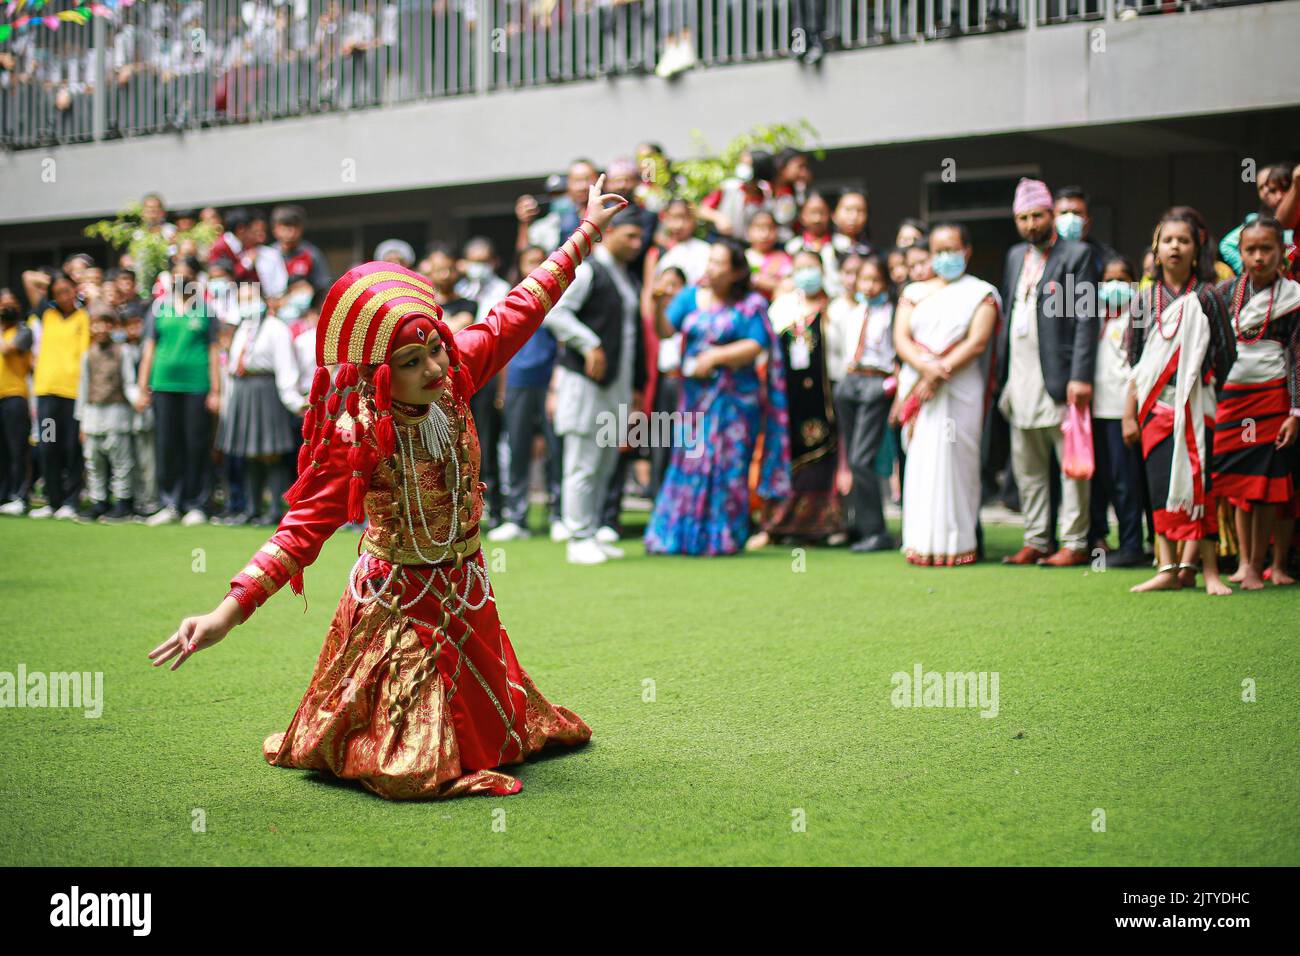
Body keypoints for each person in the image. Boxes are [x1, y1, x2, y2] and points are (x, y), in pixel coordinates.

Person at [148, 184, 626, 800]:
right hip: (396, 605)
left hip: (467, 590)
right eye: (410, 360)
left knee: (495, 734)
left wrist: (584, 231)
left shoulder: (457, 373)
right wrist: (224, 613)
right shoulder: (357, 434)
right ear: (378, 371)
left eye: (433, 349)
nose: (432, 368)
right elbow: (300, 533)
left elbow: (521, 307)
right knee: (408, 766)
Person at [645, 237, 791, 555]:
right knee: (691, 460)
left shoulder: (750, 304)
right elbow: (665, 331)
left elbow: (757, 344)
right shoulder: (690, 297)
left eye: (718, 262)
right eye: (709, 260)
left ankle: (722, 536)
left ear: (737, 272)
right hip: (695, 400)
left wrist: (716, 357)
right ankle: (680, 537)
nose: (710, 268)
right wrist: (657, 304)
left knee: (729, 466)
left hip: (736, 403)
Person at [1124, 208, 1237, 595]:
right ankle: (1168, 567)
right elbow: (1135, 362)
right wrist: (1129, 415)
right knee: (1160, 487)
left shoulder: (1209, 295)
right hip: (1156, 406)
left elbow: (1226, 352)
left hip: (1198, 406)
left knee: (1199, 487)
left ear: (1196, 248)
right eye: (1168, 240)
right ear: (1156, 249)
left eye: (1183, 240)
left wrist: (1206, 388)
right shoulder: (1144, 301)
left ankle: (1206, 570)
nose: (1175, 247)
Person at [996, 178, 1100, 567]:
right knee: (1026, 465)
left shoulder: (1077, 255)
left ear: (1051, 214)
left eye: (1037, 215)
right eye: (1022, 217)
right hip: (1019, 376)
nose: (1030, 224)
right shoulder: (1013, 257)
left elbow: (1087, 317)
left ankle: (1073, 543)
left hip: (1059, 376)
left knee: (1070, 464)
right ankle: (1036, 539)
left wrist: (1081, 375)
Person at [891, 225, 1001, 565]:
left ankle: (958, 545)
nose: (945, 257)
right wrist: (926, 371)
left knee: (957, 462)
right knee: (923, 461)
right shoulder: (914, 292)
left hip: (960, 385)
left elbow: (977, 342)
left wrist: (939, 373)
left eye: (952, 249)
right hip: (918, 384)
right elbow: (901, 339)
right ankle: (922, 544)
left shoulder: (981, 293)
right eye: (938, 251)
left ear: (966, 251)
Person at [545, 205, 646, 564]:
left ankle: (592, 530)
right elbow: (554, 312)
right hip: (585, 381)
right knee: (583, 459)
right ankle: (578, 536)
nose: (637, 243)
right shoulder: (588, 270)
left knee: (604, 459)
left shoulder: (625, 276)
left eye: (640, 238)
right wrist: (589, 343)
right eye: (630, 236)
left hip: (616, 383)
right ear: (610, 231)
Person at [1209, 218, 1300, 589]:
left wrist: (1296, 411)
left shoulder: (1294, 296)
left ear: (1282, 251)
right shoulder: (1224, 293)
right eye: (1251, 250)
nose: (1259, 257)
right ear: (1240, 253)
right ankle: (1246, 563)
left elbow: (1298, 358)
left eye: (1267, 249)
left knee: (1269, 483)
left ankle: (1268, 564)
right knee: (1238, 483)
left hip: (1273, 398)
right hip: (1231, 399)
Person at [748, 249, 842, 547]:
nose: (806, 274)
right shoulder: (783, 307)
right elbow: (765, 349)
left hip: (825, 398)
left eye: (812, 267)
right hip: (785, 400)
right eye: (800, 268)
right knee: (782, 457)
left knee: (825, 457)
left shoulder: (836, 307)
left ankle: (825, 526)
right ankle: (777, 525)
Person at [137, 261, 222, 526]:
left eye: (187, 275)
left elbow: (213, 352)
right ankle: (169, 503)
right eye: (178, 274)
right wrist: (142, 387)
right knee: (166, 445)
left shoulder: (206, 311)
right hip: (163, 386)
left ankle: (196, 503)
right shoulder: (158, 309)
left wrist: (216, 391)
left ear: (196, 279)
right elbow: (149, 348)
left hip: (197, 387)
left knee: (195, 445)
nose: (182, 279)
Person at [215, 291, 305, 526]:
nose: (247, 304)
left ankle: (275, 509)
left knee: (270, 453)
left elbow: (286, 367)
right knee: (248, 453)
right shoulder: (243, 328)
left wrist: (293, 401)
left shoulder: (276, 328)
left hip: (266, 390)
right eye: (242, 299)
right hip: (243, 391)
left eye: (250, 298)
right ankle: (252, 508)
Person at [491, 246, 562, 542]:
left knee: (555, 451)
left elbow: (563, 347)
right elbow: (501, 346)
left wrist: (558, 388)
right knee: (517, 449)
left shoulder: (558, 298)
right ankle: (517, 518)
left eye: (539, 262)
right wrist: (502, 390)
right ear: (519, 267)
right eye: (528, 262)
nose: (534, 267)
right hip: (517, 382)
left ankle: (558, 515)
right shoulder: (512, 300)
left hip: (549, 384)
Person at [834, 254, 898, 552]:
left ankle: (875, 531)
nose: (869, 286)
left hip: (876, 380)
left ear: (885, 282)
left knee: (862, 458)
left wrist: (888, 387)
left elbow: (894, 355)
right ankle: (858, 524)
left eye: (875, 280)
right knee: (850, 457)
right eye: (864, 280)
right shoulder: (852, 311)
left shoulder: (892, 312)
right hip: (850, 381)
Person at [1088, 255, 1147, 567]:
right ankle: (1098, 543)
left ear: (1133, 283)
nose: (1113, 286)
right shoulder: (1094, 316)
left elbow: (1139, 369)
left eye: (1121, 280)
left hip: (1120, 411)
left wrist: (1130, 414)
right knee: (1099, 481)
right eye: (1107, 280)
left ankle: (1131, 546)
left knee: (1125, 482)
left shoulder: (1139, 317)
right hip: (1093, 411)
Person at [25, 270, 90, 520]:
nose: (63, 295)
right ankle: (53, 500)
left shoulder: (84, 316)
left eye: (68, 290)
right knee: (48, 446)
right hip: (47, 394)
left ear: (75, 290)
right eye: (58, 292)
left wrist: (76, 283)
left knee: (72, 447)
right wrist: (53, 280)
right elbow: (28, 279)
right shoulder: (46, 314)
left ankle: (71, 501)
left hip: (74, 395)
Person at [75, 307, 139, 522]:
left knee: (121, 460)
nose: (101, 328)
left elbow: (129, 382)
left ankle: (123, 501)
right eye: (97, 323)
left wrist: (138, 400)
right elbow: (83, 388)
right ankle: (98, 501)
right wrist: (81, 422)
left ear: (112, 327)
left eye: (106, 323)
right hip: (93, 412)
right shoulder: (87, 355)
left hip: (117, 412)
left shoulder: (124, 352)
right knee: (93, 460)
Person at [0, 288, 33, 515]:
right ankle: (3, 495)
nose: (6, 308)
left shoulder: (23, 331)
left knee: (17, 449)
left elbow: (7, 349)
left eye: (10, 304)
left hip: (15, 396)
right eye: (3, 305)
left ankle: (20, 496)